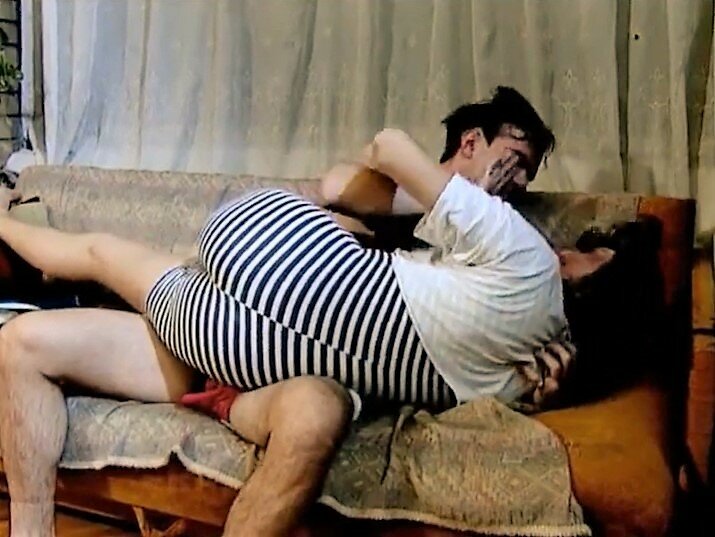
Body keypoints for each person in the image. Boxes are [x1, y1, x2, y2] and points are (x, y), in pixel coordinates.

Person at [0, 86, 634, 537]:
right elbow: (346, 183)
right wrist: (431, 197)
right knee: (58, 300)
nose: (516, 186)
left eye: (525, 177)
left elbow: (478, 354)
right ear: (470, 141)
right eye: (513, 163)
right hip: (213, 322)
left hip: (269, 367)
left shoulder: (493, 267)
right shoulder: (397, 201)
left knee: (313, 409)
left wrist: (548, 387)